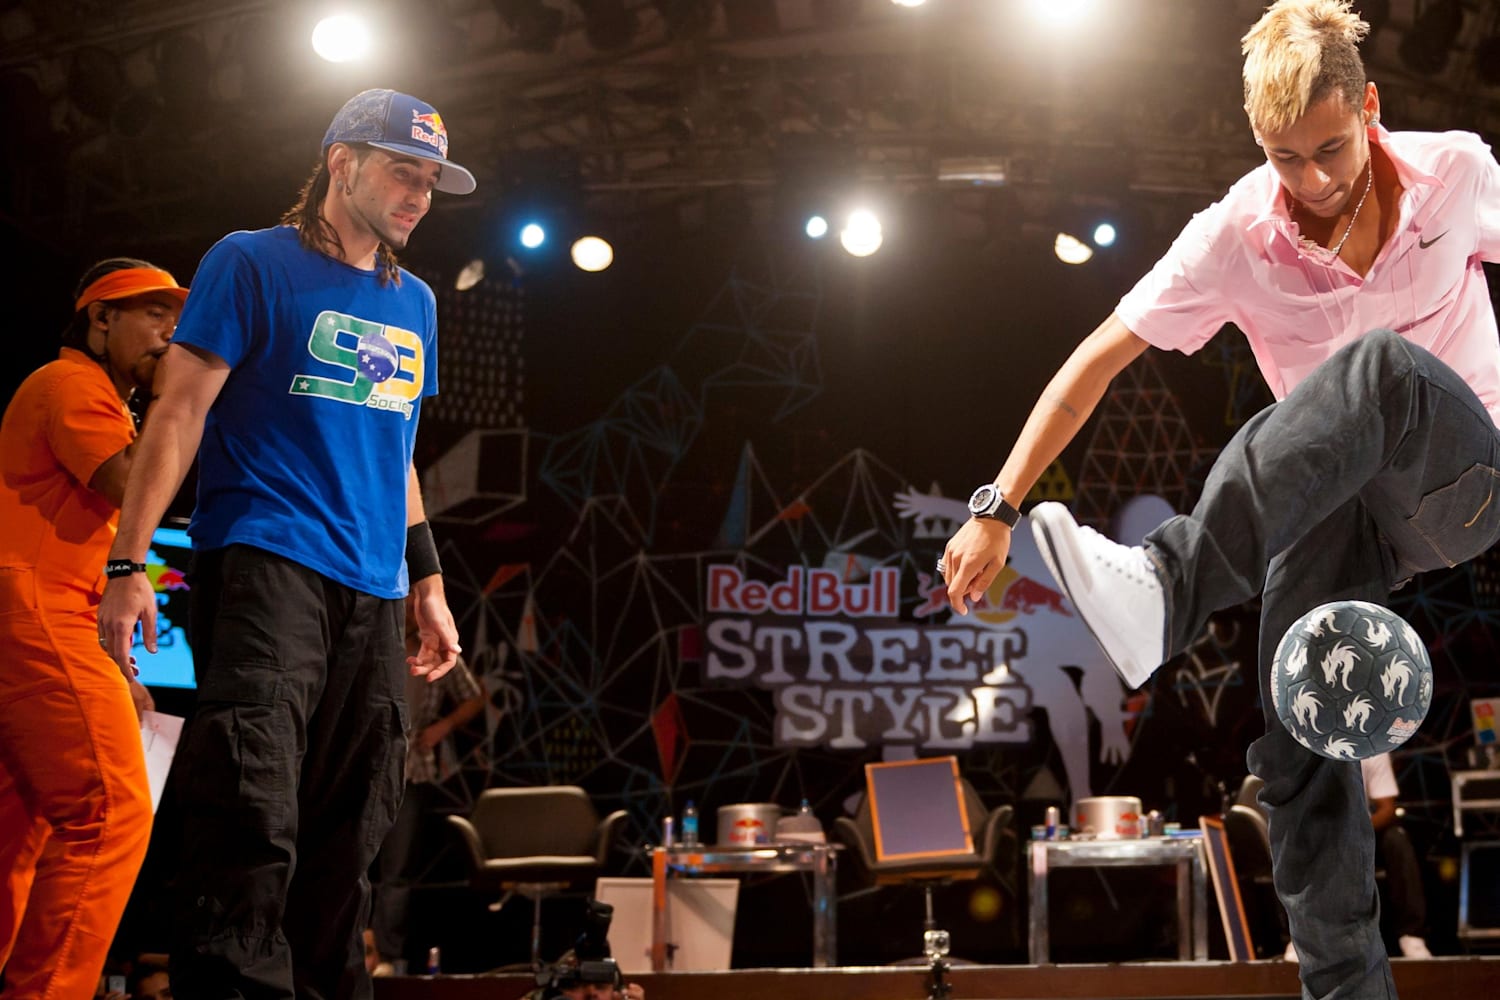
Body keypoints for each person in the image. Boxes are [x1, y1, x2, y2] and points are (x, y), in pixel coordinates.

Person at [937, 2, 1498, 997]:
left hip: (1463, 479)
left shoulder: (1459, 169)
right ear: (1257, 142)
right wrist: (997, 502)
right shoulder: (1233, 234)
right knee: (1302, 729)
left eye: (1333, 148)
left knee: (1378, 369)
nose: (1317, 182)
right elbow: (1094, 363)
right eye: (1288, 159)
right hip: (1347, 517)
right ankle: (1344, 986)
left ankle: (1167, 582)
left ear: (1370, 105)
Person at [96, 88, 472, 998]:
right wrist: (126, 562)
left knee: (353, 830)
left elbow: (399, 453)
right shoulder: (248, 261)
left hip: (376, 588)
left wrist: (427, 580)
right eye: (401, 171)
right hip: (269, 563)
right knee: (251, 810)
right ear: (341, 163)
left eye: (430, 180)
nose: (419, 194)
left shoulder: (415, 300)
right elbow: (179, 413)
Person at [0, 258, 187, 998]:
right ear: (99, 318)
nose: (170, 335)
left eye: (176, 320)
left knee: (20, 832)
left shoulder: (90, 394)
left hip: (41, 615)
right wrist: (178, 404)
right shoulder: (72, 383)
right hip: (40, 614)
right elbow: (131, 485)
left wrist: (119, 671)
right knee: (109, 814)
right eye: (153, 315)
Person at [370, 611, 486, 968]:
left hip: (411, 768)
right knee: (351, 861)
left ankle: (388, 958)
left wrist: (442, 727)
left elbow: (473, 696)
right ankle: (345, 951)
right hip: (366, 765)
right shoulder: (374, 631)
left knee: (397, 871)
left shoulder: (435, 642)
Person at [1362, 753, 1431, 959]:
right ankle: (1298, 937)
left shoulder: (1370, 743)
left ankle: (1412, 934)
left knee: (1397, 839)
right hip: (1320, 833)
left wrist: (1357, 831)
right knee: (1297, 839)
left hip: (1361, 832)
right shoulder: (1306, 743)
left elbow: (1387, 808)